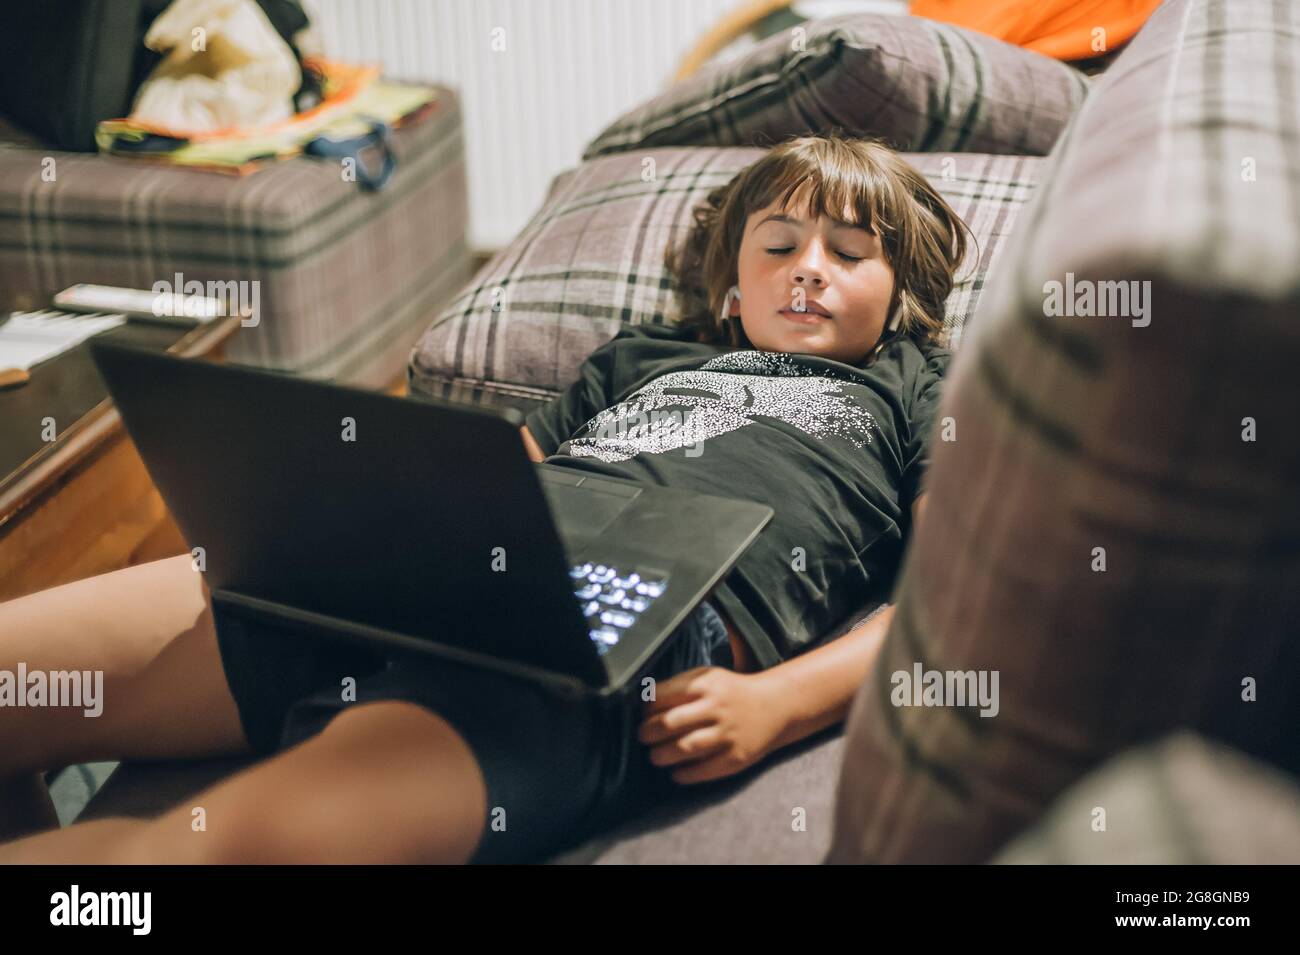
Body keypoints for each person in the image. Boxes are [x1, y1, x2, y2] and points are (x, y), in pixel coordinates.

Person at [0, 133, 970, 864]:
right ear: (729, 288)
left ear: (899, 298)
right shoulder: (641, 356)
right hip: (450, 551)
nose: (809, 265)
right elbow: (484, 468)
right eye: (779, 244)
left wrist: (780, 704)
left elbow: (956, 590)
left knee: (202, 848)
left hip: (616, 616)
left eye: (849, 251)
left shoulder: (913, 383)